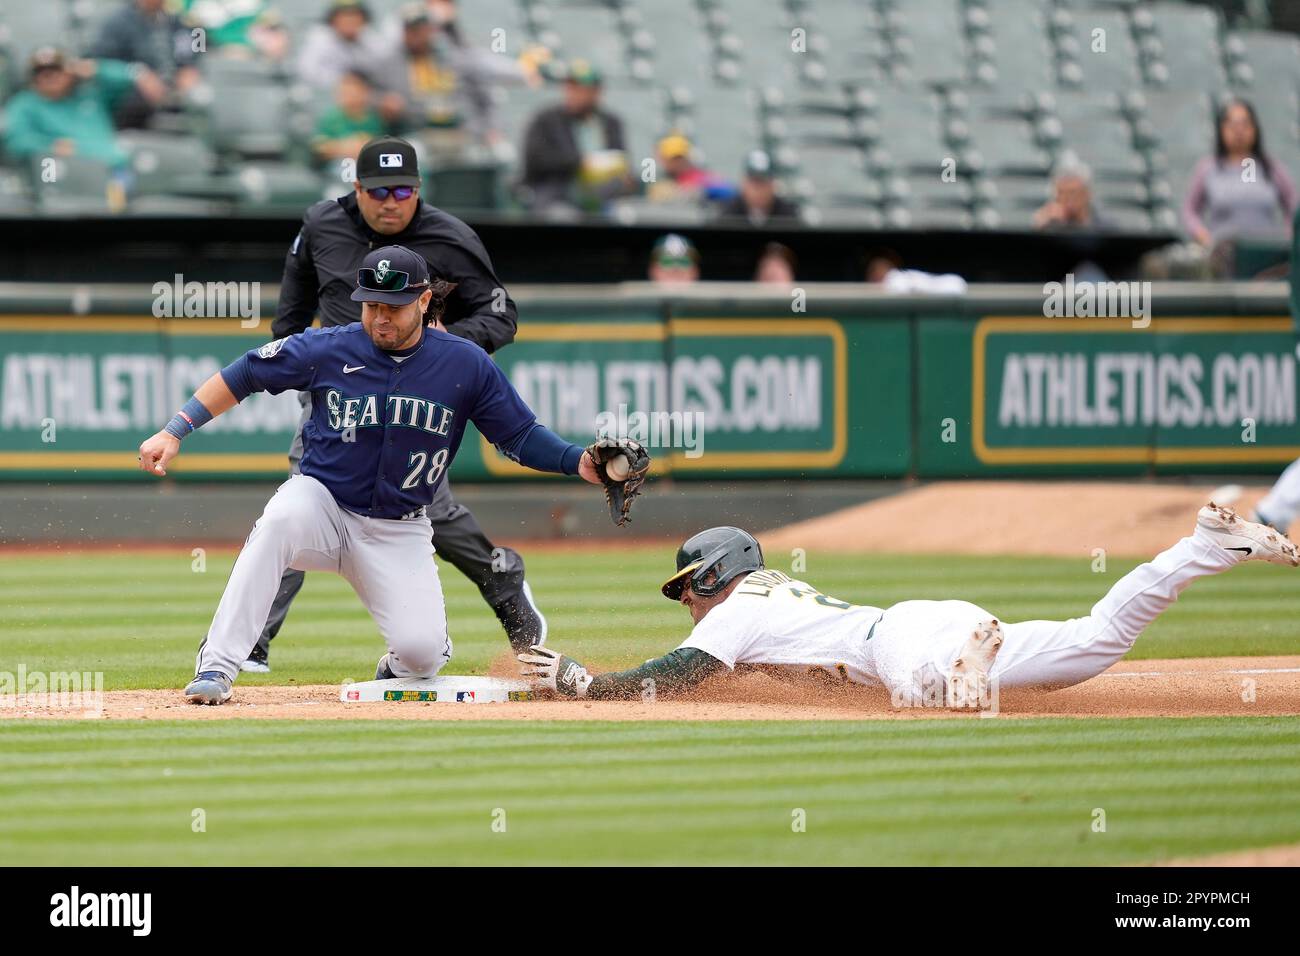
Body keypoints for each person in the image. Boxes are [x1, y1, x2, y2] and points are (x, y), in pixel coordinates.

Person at [137, 245, 628, 706]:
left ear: (424, 299)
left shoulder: (464, 363)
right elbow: (245, 373)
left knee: (423, 655)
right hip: (323, 505)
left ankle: (396, 665)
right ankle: (218, 668)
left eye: (393, 305)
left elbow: (519, 436)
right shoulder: (328, 347)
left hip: (399, 524)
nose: (379, 316)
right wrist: (176, 430)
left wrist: (578, 461)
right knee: (282, 517)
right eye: (371, 304)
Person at [243, 135, 545, 674]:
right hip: (340, 396)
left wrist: (443, 347)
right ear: (356, 189)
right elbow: (290, 315)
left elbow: (501, 316)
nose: (390, 201)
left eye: (402, 189)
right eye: (378, 190)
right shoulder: (320, 225)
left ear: (419, 189)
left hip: (418, 396)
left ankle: (505, 585)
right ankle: (252, 643)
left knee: (437, 513)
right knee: (297, 504)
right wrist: (295, 366)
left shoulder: (451, 237)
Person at [518, 506, 1298, 705]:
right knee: (1096, 645)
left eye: (690, 584)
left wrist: (588, 683)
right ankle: (1200, 547)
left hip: (902, 637)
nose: (686, 599)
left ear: (720, 574)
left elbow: (681, 672)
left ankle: (957, 673)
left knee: (915, 691)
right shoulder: (769, 597)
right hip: (936, 618)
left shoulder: (739, 608)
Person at [4, 48, 166, 169]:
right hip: (72, 172)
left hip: (116, 165)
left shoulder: (90, 94)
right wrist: (49, 147)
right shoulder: (24, 104)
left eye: (56, 70)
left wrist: (95, 68)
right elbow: (16, 142)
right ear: (33, 78)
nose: (50, 77)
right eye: (41, 72)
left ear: (69, 72)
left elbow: (126, 80)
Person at [1183, 97, 1297, 248]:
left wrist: (1291, 234)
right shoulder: (1208, 168)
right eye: (1232, 125)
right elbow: (1189, 210)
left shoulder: (1271, 167)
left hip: (1266, 255)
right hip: (1223, 256)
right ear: (1221, 129)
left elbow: (1294, 205)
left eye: (1245, 124)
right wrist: (1202, 234)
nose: (1239, 131)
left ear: (1254, 128)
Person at [520, 60, 630, 211]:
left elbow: (620, 157)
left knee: (625, 213)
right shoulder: (546, 119)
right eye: (571, 88)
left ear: (596, 92)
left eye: (581, 89)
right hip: (558, 192)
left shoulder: (611, 122)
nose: (574, 94)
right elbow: (535, 161)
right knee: (562, 217)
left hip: (603, 193)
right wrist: (580, 162)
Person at [86, 0, 199, 126]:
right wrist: (136, 73)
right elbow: (96, 64)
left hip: (177, 97)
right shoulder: (117, 23)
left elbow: (198, 42)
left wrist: (191, 67)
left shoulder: (178, 21)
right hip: (134, 100)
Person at [296, 0, 390, 94]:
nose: (349, 20)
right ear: (332, 20)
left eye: (354, 16)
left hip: (364, 97)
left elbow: (383, 72)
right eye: (344, 16)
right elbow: (307, 75)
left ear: (364, 20)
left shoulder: (372, 41)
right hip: (327, 97)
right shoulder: (319, 41)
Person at [312, 70, 388, 163]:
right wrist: (342, 147)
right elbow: (319, 147)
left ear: (366, 92)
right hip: (340, 164)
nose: (348, 95)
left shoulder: (376, 118)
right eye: (344, 91)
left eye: (353, 91)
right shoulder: (332, 118)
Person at [716, 150, 799, 225]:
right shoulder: (728, 214)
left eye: (763, 183)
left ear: (773, 185)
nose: (758, 190)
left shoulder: (788, 215)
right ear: (744, 183)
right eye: (754, 183)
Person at [645, 132, 730, 203]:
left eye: (678, 158)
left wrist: (698, 191)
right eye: (671, 158)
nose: (676, 162)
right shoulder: (661, 181)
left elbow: (727, 190)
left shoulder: (700, 178)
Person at [1033, 159, 1110, 230]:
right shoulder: (1050, 224)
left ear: (1088, 194)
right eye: (1061, 194)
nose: (1067, 199)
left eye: (1072, 193)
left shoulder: (1107, 229)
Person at [865, 247, 967, 294]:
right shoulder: (897, 280)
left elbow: (956, 284)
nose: (875, 274)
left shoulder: (896, 280)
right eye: (873, 271)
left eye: (877, 270)